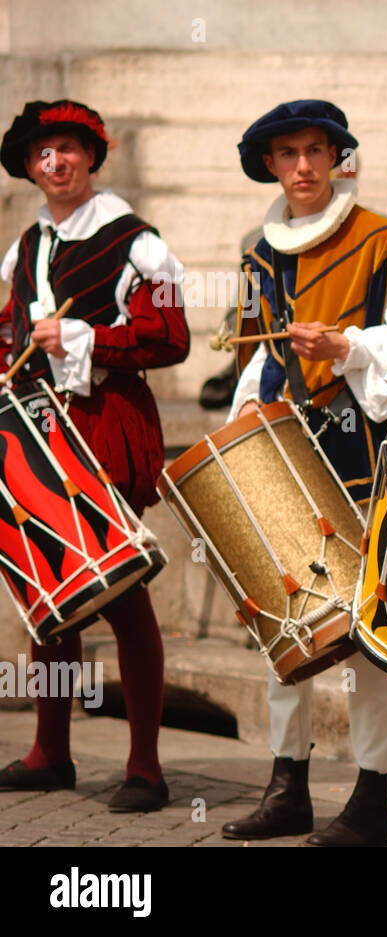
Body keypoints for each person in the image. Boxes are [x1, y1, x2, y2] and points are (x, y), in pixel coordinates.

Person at [223, 99, 387, 847]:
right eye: (286, 153)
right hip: (280, 449)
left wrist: (349, 349)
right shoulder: (258, 251)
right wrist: (238, 425)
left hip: (364, 454)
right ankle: (287, 784)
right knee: (282, 621)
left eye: (314, 151)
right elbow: (257, 354)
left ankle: (371, 799)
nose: (301, 167)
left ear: (336, 158)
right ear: (269, 163)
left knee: (367, 634)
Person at [0, 100, 189, 811]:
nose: (56, 162)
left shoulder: (141, 242)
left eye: (69, 148)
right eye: (42, 152)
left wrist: (86, 338)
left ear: (92, 156)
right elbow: (11, 330)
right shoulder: (24, 247)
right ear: (28, 167)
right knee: (46, 589)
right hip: (36, 434)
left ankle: (145, 764)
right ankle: (52, 750)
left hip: (104, 423)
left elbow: (171, 337)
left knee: (123, 591)